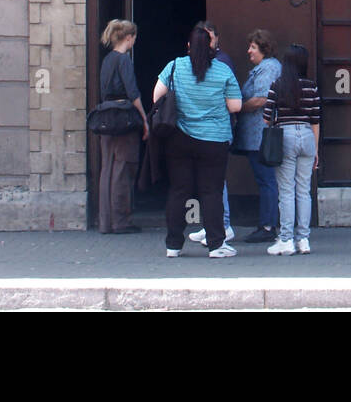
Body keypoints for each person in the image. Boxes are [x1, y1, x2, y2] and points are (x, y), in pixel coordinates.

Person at [155, 25, 242, 258]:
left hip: (179, 138)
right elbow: (236, 106)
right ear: (212, 47)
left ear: (188, 47)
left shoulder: (175, 66)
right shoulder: (223, 71)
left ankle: (173, 245)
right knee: (211, 192)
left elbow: (157, 96)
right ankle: (216, 244)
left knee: (179, 190)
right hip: (214, 140)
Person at [263, 43, 321, 255]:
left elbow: (266, 118)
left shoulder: (277, 85)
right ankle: (303, 239)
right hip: (306, 135)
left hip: (284, 136)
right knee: (303, 190)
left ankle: (286, 239)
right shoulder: (311, 86)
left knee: (286, 191)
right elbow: (315, 120)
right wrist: (315, 150)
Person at [97, 20, 150, 234]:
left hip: (106, 115)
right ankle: (121, 221)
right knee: (123, 167)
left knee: (107, 168)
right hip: (123, 117)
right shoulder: (124, 60)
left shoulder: (107, 60)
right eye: (134, 37)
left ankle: (105, 222)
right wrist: (144, 118)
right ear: (129, 37)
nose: (135, 41)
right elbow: (133, 92)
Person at [188, 21, 237, 245]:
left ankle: (222, 225)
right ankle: (212, 225)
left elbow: (233, 103)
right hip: (211, 131)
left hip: (215, 131)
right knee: (211, 181)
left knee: (216, 181)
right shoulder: (206, 63)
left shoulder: (221, 63)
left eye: (210, 37)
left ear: (217, 39)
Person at [234, 29, 281, 243]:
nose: (249, 51)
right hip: (256, 135)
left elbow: (262, 99)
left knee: (267, 180)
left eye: (253, 47)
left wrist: (237, 108)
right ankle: (268, 223)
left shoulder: (268, 68)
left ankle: (268, 225)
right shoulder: (264, 68)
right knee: (266, 180)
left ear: (263, 48)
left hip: (260, 135)